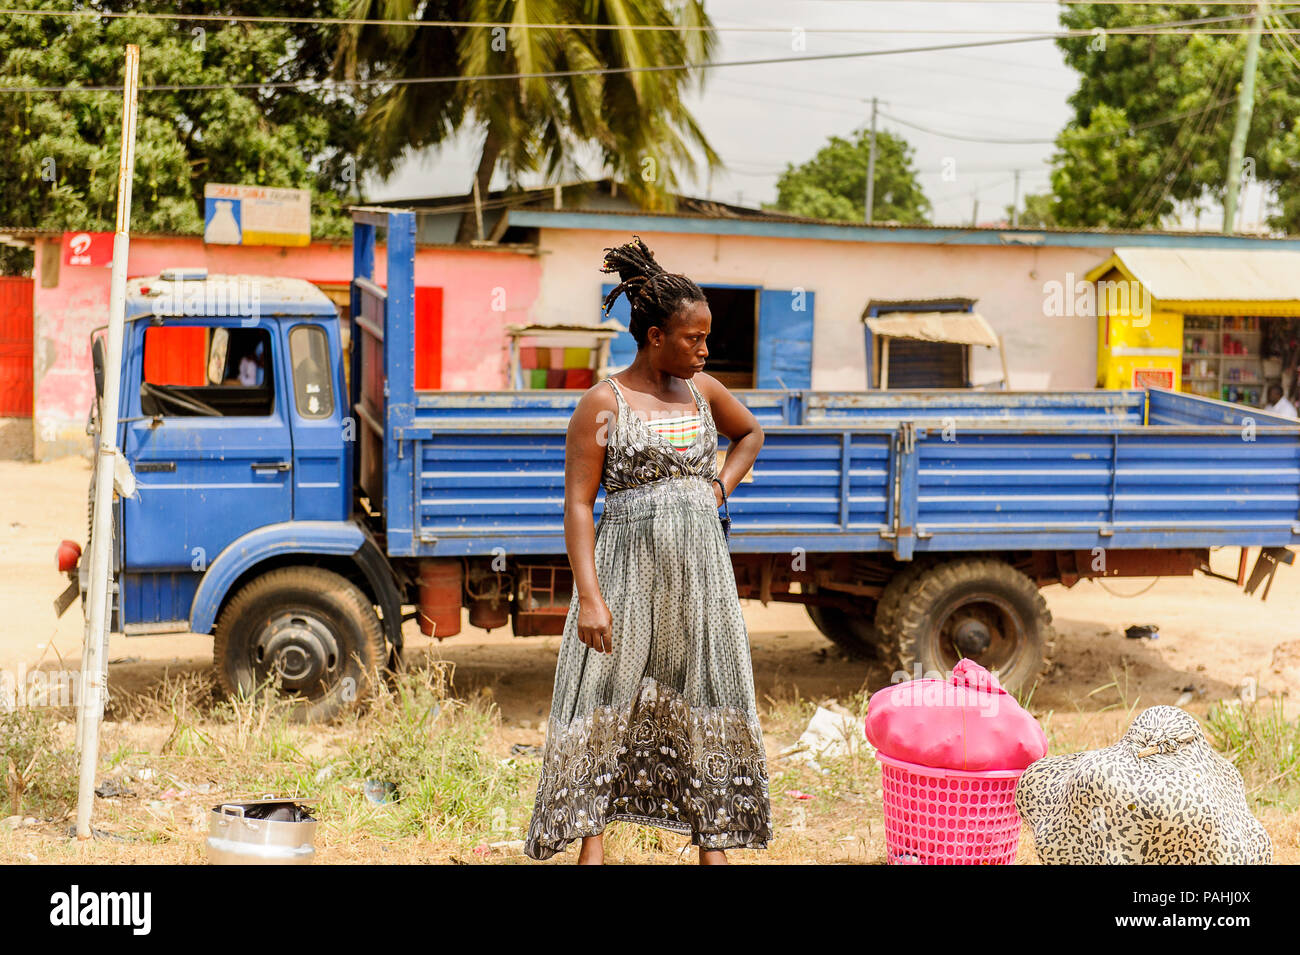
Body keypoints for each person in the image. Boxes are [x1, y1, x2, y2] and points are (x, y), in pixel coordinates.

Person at [523, 236, 772, 865]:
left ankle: (712, 844)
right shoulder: (603, 405)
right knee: (604, 692)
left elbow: (751, 434)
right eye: (695, 338)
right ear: (656, 335)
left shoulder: (704, 392)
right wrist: (589, 598)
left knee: (707, 690)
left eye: (707, 338)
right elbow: (579, 503)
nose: (706, 349)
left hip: (701, 575)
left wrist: (718, 486)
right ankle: (593, 844)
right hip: (625, 571)